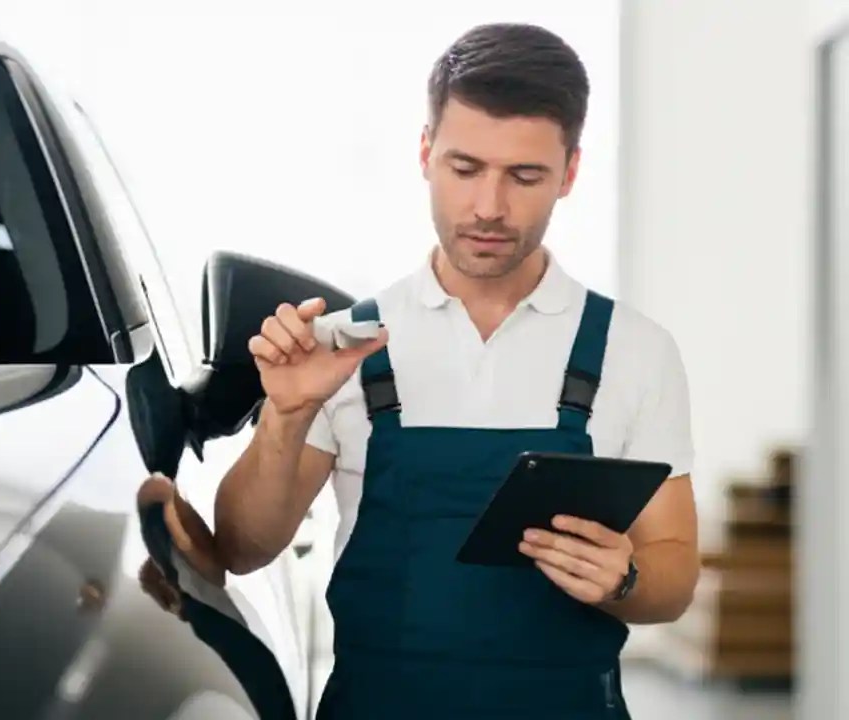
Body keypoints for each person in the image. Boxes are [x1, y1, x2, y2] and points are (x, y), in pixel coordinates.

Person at [142, 21, 699, 719]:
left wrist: (626, 579)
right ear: (426, 152)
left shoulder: (635, 350)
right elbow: (243, 549)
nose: (489, 207)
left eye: (524, 176)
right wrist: (285, 416)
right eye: (465, 169)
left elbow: (674, 570)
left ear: (571, 172)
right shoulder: (345, 344)